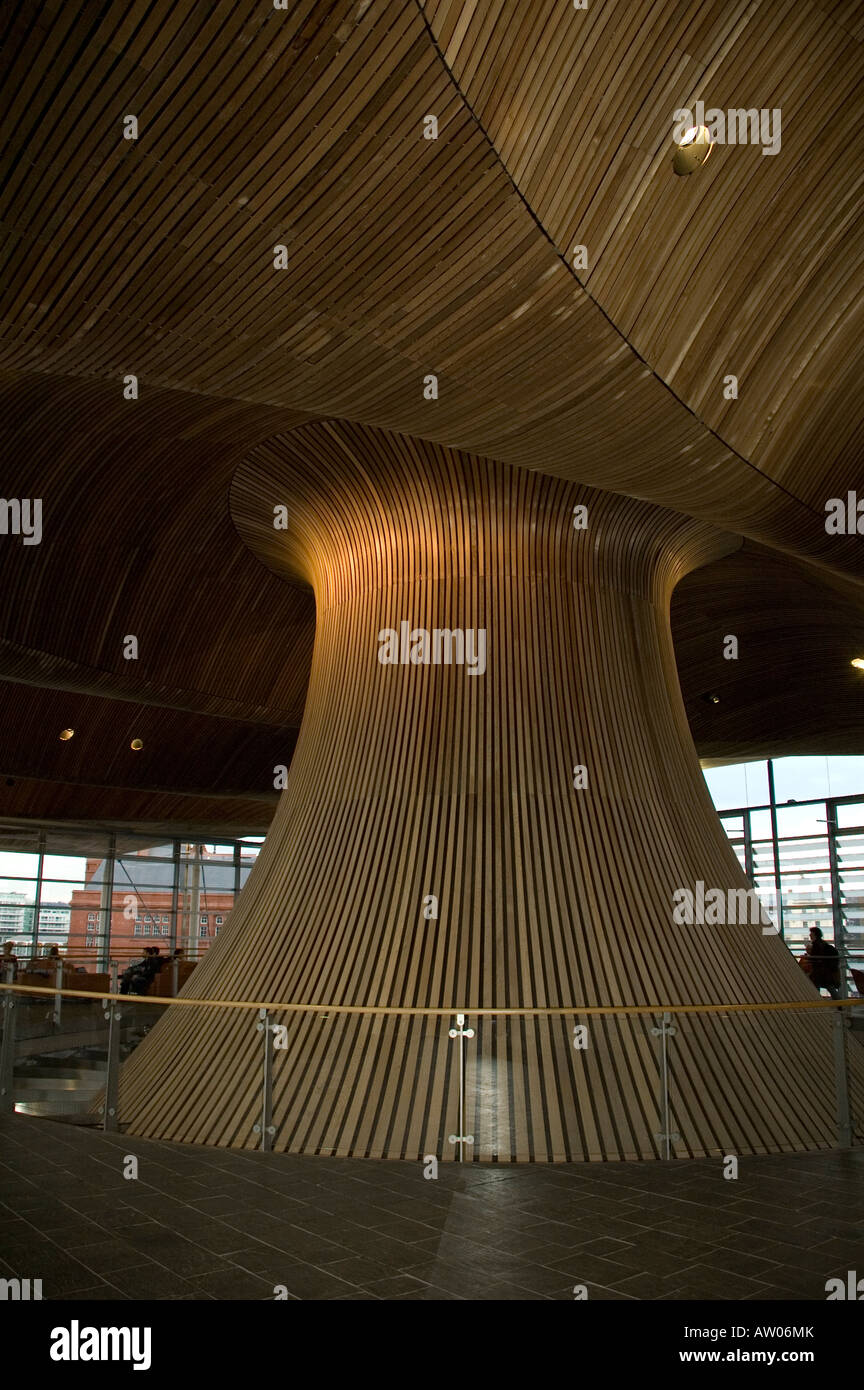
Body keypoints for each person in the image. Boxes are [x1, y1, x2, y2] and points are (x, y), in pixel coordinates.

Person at [805, 927, 840, 999]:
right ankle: (839, 1002)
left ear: (815, 934)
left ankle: (817, 1001)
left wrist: (808, 957)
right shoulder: (823, 943)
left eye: (811, 933)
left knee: (817, 986)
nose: (810, 935)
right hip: (826, 970)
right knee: (829, 986)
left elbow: (815, 957)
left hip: (819, 970)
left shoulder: (816, 945)